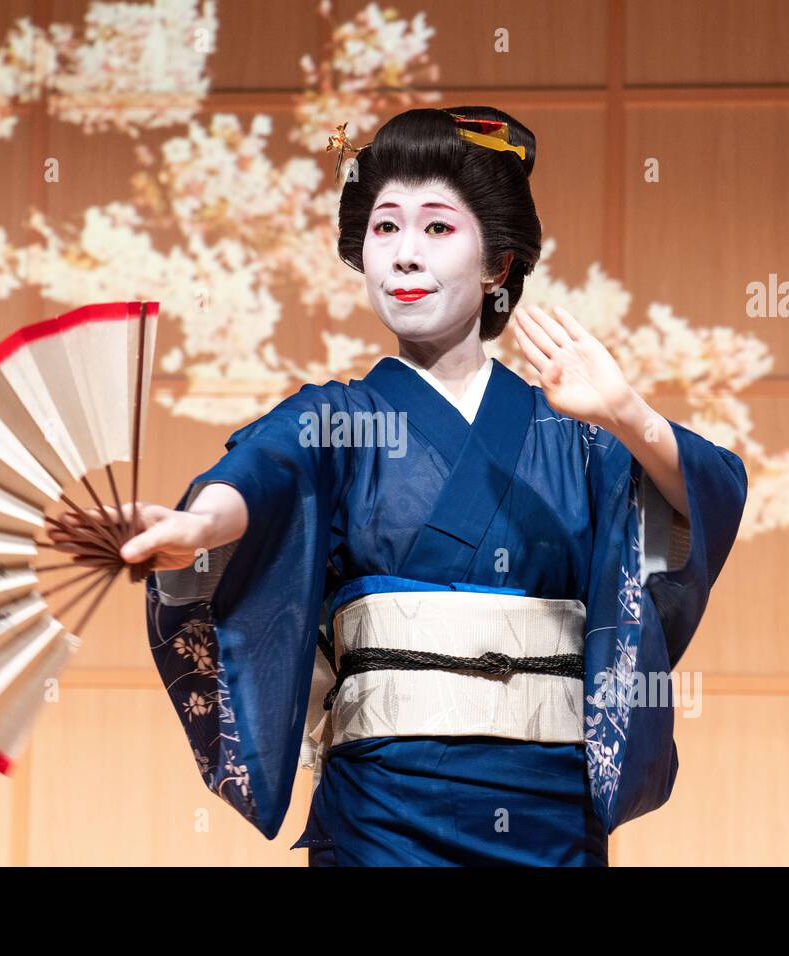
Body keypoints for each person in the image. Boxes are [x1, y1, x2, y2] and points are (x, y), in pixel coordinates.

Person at [57, 107, 748, 866]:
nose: (403, 257)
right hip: (380, 812)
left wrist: (626, 413)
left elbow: (703, 495)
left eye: (437, 229)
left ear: (498, 265)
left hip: (548, 811)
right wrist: (198, 526)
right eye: (385, 229)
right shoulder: (341, 417)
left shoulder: (578, 438)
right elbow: (264, 470)